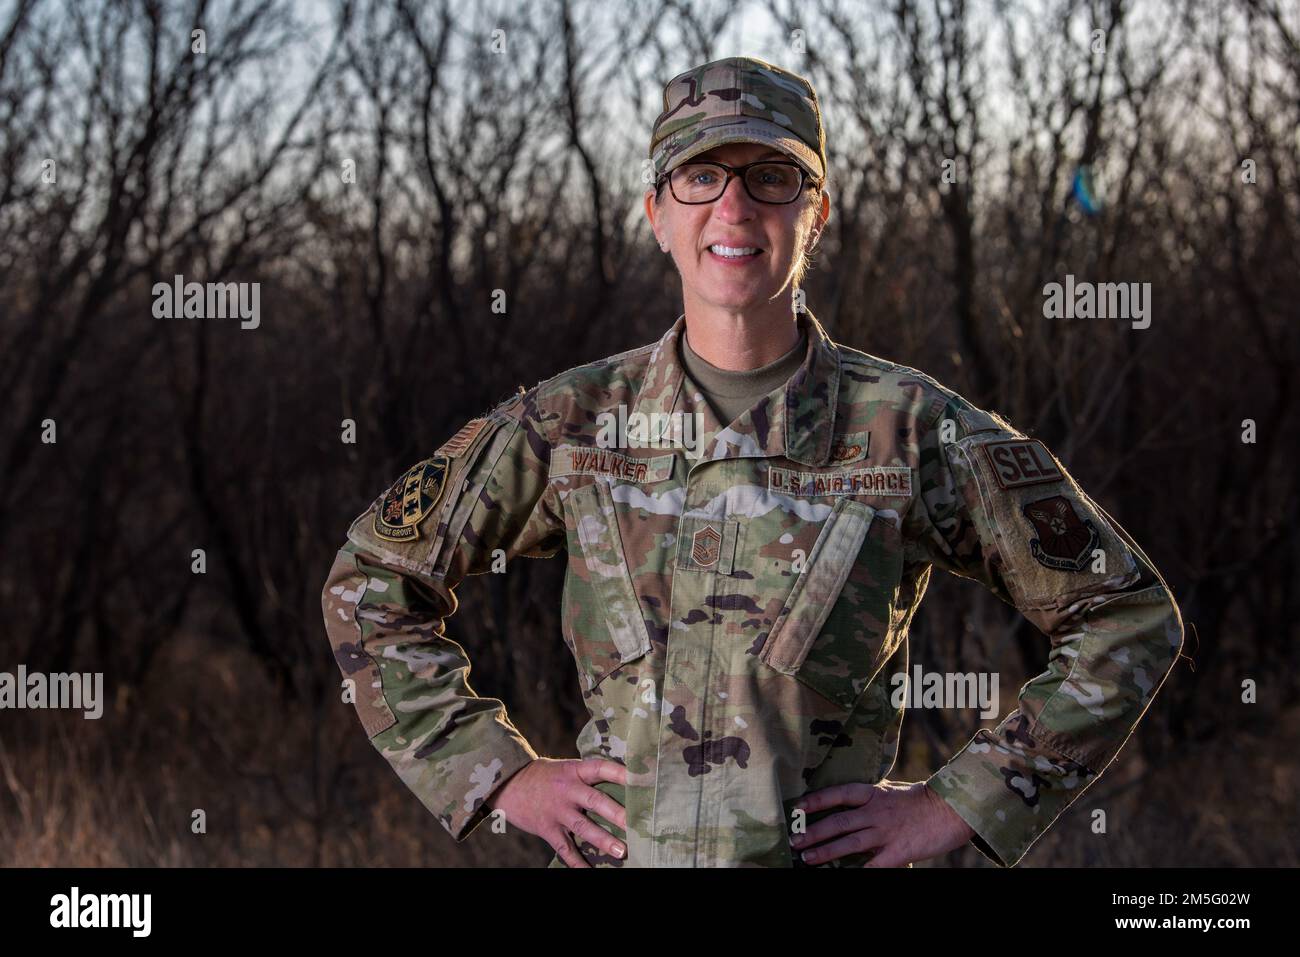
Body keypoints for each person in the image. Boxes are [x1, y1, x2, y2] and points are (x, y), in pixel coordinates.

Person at [320, 56, 1184, 868]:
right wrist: (501, 775)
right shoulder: (571, 423)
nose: (733, 210)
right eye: (700, 177)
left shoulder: (911, 428)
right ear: (657, 212)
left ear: (818, 210)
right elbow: (370, 583)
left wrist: (958, 803)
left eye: (772, 178)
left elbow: (1126, 615)